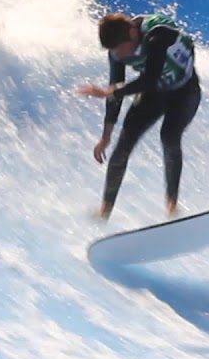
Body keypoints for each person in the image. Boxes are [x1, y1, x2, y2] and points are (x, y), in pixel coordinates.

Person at [77, 11, 201, 220]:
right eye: (115, 53)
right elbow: (116, 90)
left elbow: (149, 79)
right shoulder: (117, 50)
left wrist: (109, 91)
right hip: (155, 94)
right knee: (121, 149)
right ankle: (104, 211)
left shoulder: (158, 35)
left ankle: (172, 207)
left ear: (133, 34)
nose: (121, 56)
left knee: (169, 136)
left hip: (185, 92)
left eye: (122, 51)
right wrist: (105, 136)